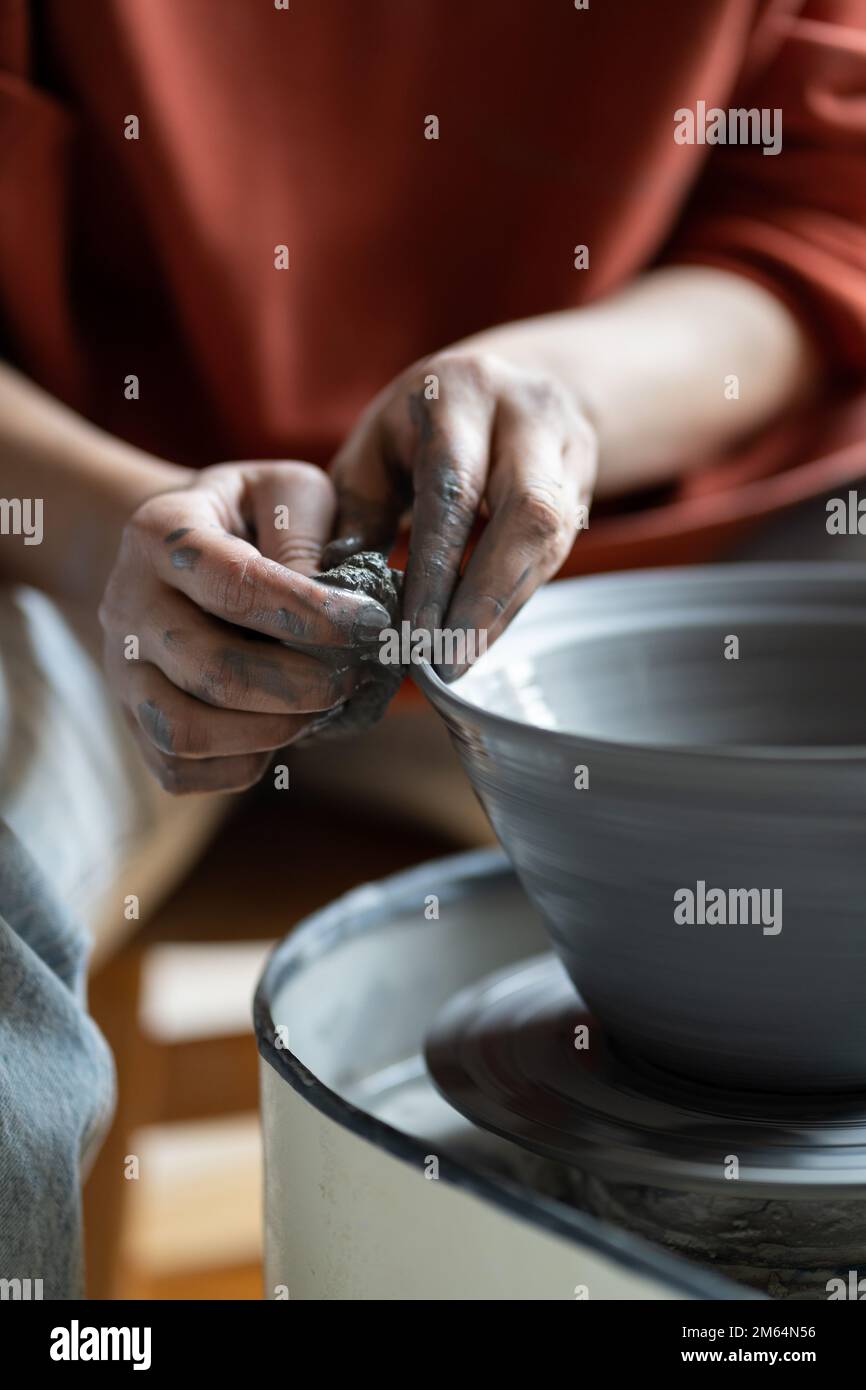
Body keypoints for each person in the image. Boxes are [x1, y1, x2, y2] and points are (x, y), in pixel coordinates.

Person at [1, 0, 864, 1297]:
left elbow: (820, 217)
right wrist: (125, 538)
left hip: (660, 513)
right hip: (80, 530)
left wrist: (555, 394)